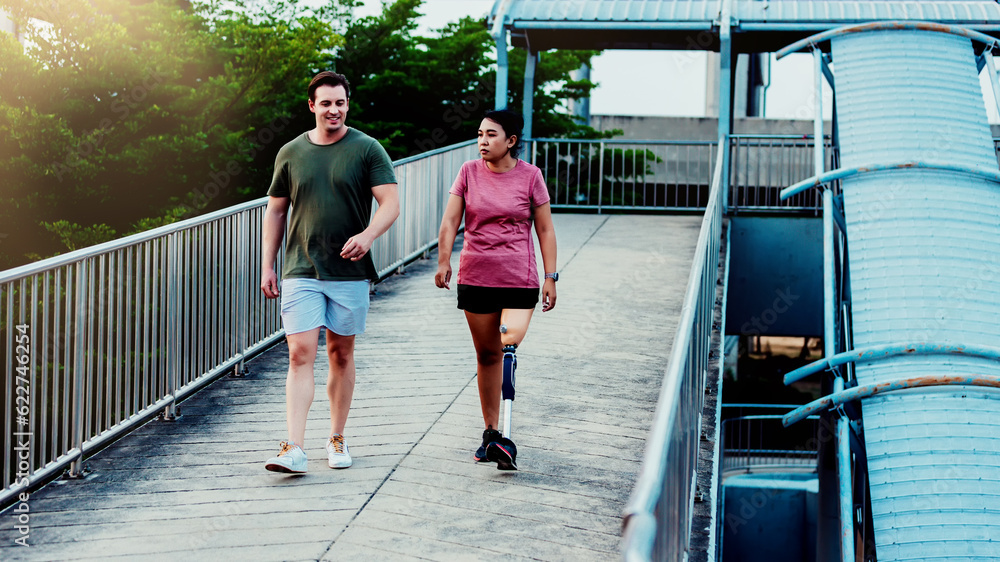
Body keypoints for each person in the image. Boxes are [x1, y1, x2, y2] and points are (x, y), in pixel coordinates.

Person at [260, 71, 399, 473]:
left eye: (339, 103)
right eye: (325, 103)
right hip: (300, 267)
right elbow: (276, 210)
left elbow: (391, 203)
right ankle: (295, 447)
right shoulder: (290, 152)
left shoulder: (368, 149)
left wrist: (369, 235)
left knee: (340, 353)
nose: (333, 110)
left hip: (349, 271)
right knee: (299, 353)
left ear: (347, 105)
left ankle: (337, 436)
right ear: (312, 106)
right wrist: (268, 265)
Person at [435, 109, 558, 470]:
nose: (482, 142)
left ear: (511, 141)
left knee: (507, 351)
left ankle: (505, 432)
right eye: (479, 134)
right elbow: (450, 220)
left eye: (490, 135)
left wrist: (551, 276)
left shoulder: (531, 176)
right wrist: (444, 260)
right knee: (486, 355)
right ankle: (491, 432)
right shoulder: (468, 173)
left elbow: (545, 230)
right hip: (475, 276)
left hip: (519, 279)